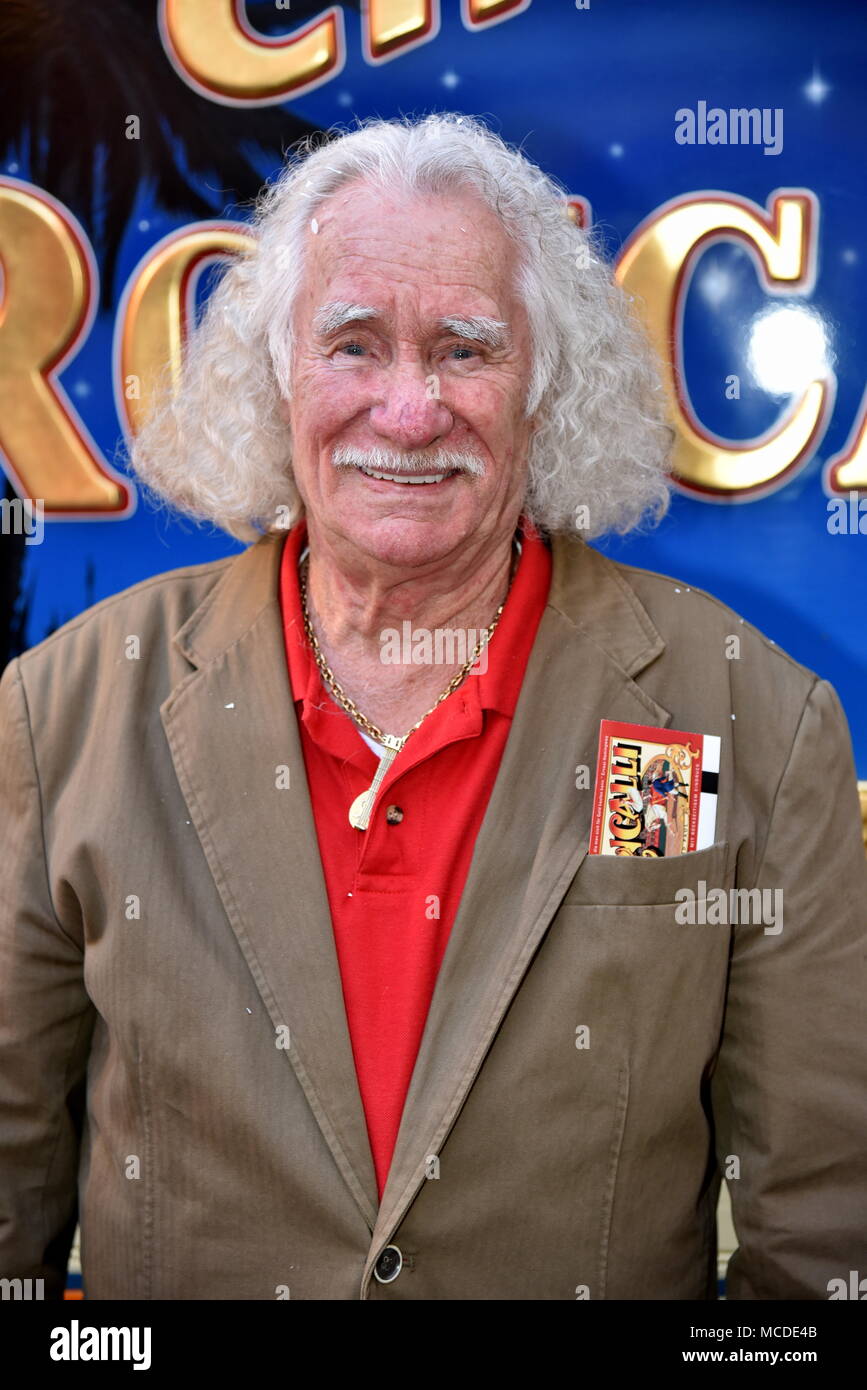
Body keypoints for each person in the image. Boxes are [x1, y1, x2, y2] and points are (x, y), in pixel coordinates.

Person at [1, 113, 865, 1301]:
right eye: (353, 345)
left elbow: (826, 1234)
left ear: (545, 393)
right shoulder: (64, 712)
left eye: (466, 352)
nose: (410, 413)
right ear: (276, 375)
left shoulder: (749, 718)